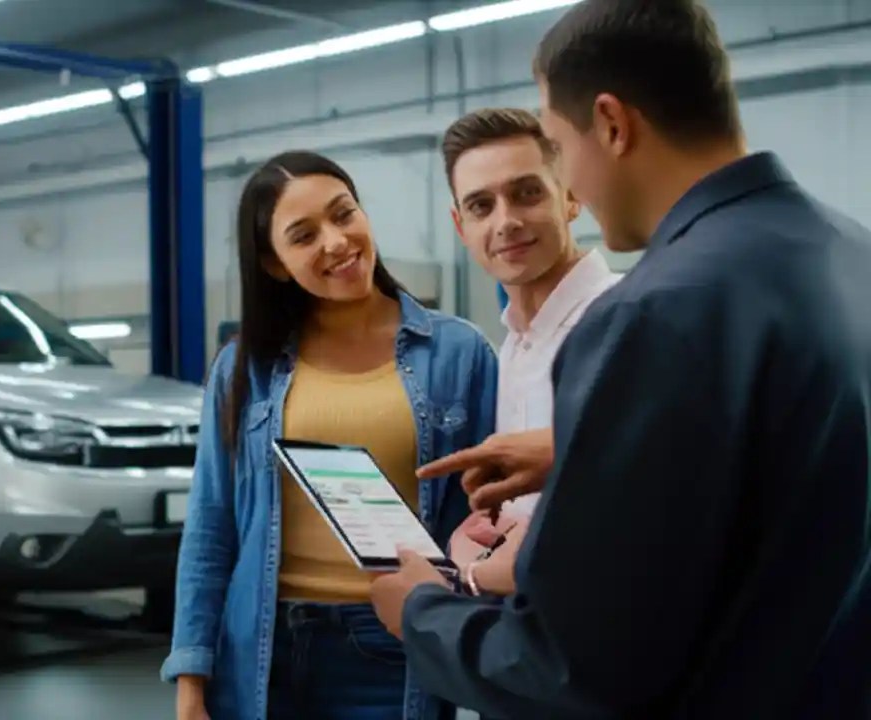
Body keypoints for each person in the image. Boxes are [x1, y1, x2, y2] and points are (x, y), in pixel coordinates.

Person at [369, 1, 871, 718]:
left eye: (557, 145)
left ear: (610, 123)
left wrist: (419, 610)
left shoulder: (651, 313)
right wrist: (581, 452)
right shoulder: (846, 252)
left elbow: (574, 670)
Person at [161, 150, 499, 720]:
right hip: (265, 651)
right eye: (303, 235)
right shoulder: (244, 368)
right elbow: (211, 527)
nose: (336, 241)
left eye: (344, 214)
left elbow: (487, 520)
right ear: (273, 263)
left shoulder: (458, 354)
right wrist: (191, 676)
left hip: (396, 645)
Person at [437, 107, 621, 597]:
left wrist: (476, 571)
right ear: (461, 227)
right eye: (481, 206)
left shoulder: (627, 320)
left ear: (572, 196)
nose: (507, 222)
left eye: (527, 193)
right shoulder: (515, 345)